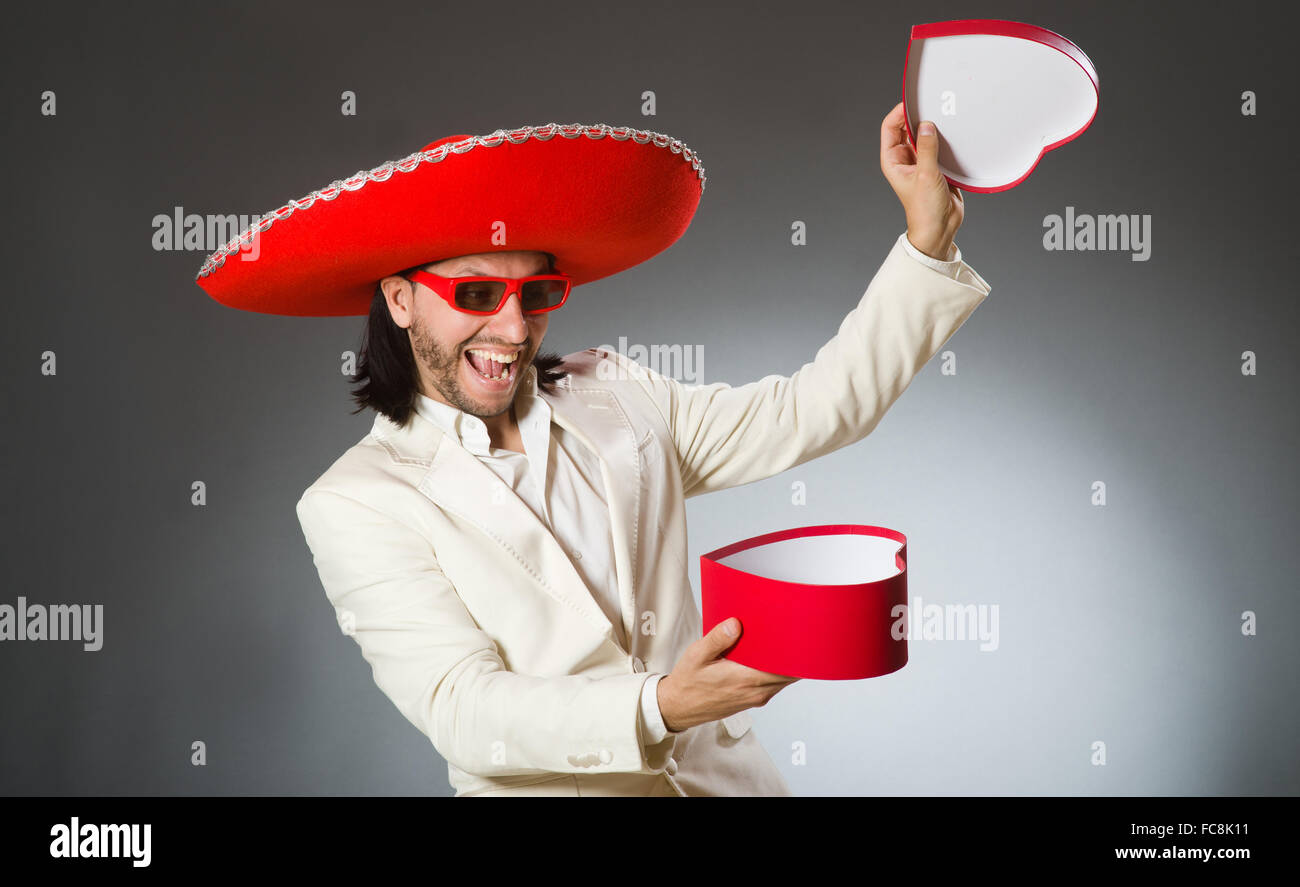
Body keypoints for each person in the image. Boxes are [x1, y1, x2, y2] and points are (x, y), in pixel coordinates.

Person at [197, 106, 990, 796]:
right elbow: (465, 709)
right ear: (400, 299)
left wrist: (926, 244)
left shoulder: (618, 393)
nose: (512, 331)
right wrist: (661, 705)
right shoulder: (355, 500)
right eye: (475, 294)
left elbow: (814, 410)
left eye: (535, 294)